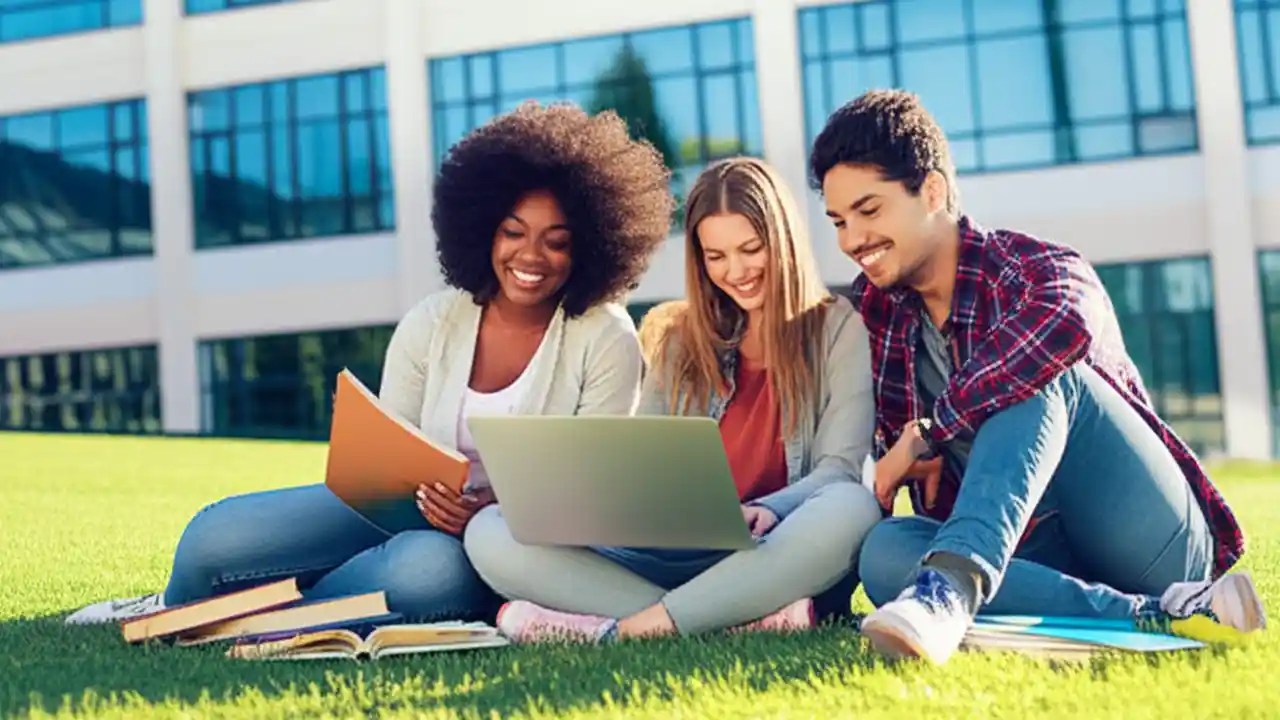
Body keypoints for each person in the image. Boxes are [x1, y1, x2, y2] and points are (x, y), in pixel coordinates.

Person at [64, 102, 675, 625]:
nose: (530, 255)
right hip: (400, 513)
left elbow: (590, 495)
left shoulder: (605, 339)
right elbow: (387, 469)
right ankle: (170, 604)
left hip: (497, 545)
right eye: (513, 232)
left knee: (422, 578)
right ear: (484, 230)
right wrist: (371, 448)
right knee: (212, 536)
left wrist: (486, 513)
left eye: (557, 240)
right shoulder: (434, 321)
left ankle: (264, 618)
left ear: (591, 246)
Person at [808, 89, 1266, 665]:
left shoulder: (1032, 269)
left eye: (869, 211)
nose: (852, 240)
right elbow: (885, 461)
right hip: (1025, 556)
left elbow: (1063, 328)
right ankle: (1166, 613)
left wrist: (931, 430)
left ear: (932, 191)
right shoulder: (879, 312)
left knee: (1041, 371)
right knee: (884, 553)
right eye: (839, 221)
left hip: (1143, 537)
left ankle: (948, 590)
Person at [463, 156, 882, 642]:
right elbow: (644, 465)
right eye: (716, 256)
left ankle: (635, 626)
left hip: (770, 548)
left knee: (853, 506)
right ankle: (725, 619)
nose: (738, 271)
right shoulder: (682, 340)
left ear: (782, 242)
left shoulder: (839, 329)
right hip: (667, 556)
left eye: (751, 249)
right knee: (490, 530)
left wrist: (772, 508)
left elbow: (839, 468)